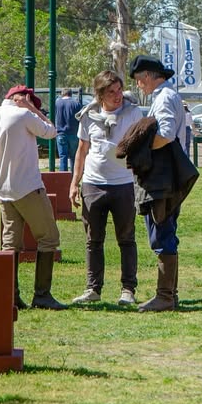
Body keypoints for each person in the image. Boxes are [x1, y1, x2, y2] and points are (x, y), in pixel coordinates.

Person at [0, 85, 67, 311]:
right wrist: (32, 110)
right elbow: (51, 131)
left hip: (3, 190)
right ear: (24, 98)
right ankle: (42, 295)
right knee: (48, 237)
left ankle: (11, 296)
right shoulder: (24, 114)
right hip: (28, 187)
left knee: (10, 243)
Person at [126, 54, 198, 312]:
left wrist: (142, 150)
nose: (138, 85)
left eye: (138, 80)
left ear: (147, 76)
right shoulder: (167, 95)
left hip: (163, 177)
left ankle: (165, 296)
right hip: (166, 175)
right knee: (164, 232)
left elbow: (165, 134)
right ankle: (170, 294)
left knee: (162, 233)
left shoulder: (165, 97)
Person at [69, 71, 145, 306]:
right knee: (93, 240)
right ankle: (93, 289)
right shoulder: (89, 116)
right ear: (100, 94)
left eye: (119, 90)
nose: (117, 95)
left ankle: (128, 290)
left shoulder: (133, 113)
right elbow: (82, 150)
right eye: (111, 92)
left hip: (124, 184)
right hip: (93, 184)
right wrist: (74, 182)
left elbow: (142, 147)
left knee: (126, 238)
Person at [54, 88, 83, 172]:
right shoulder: (76, 104)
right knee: (73, 156)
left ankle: (63, 176)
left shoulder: (57, 103)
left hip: (60, 133)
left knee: (63, 156)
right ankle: (73, 176)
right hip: (74, 133)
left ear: (62, 94)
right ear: (71, 94)